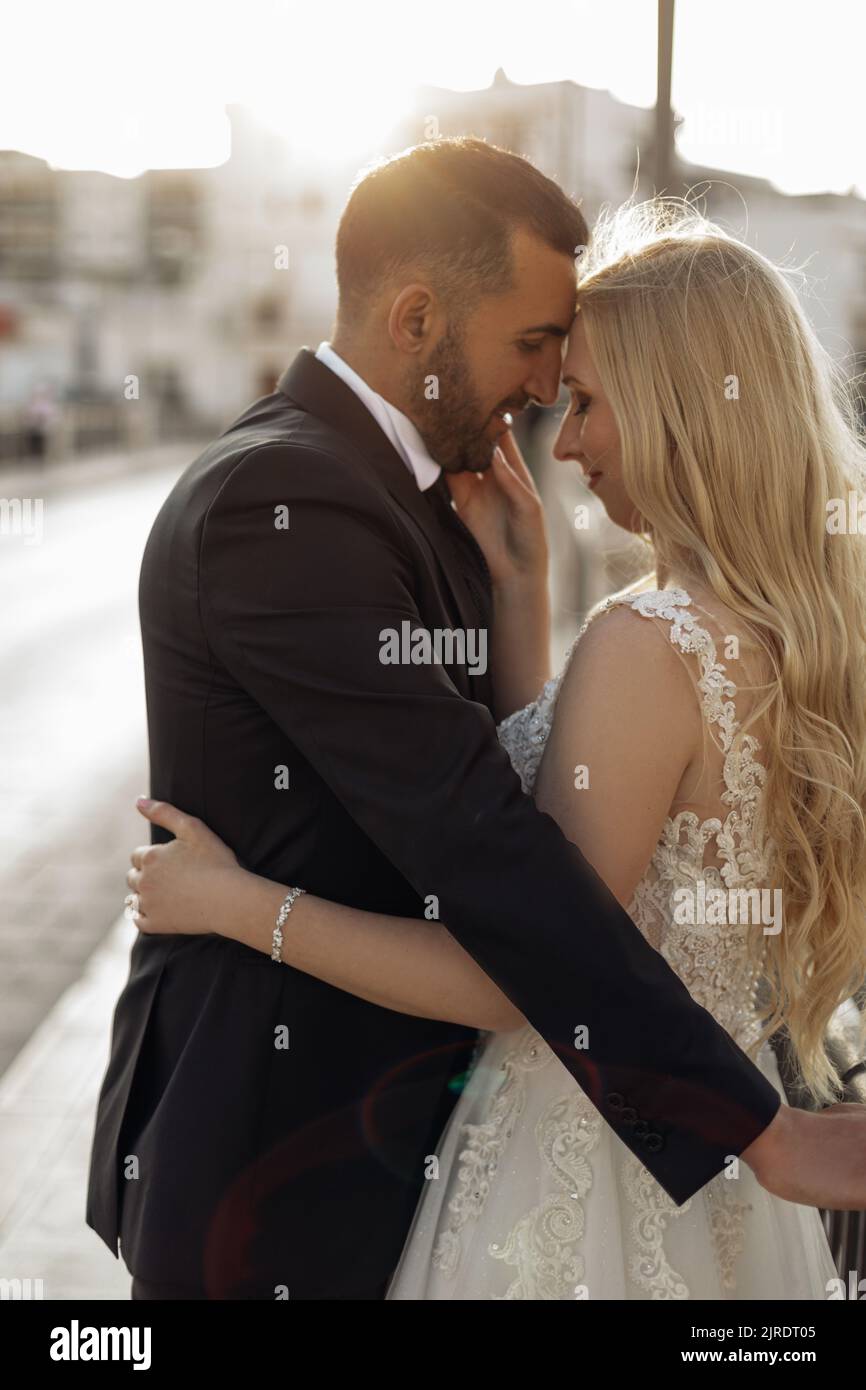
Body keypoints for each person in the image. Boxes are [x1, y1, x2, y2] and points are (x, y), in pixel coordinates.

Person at [93, 144, 866, 1300]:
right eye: (534, 348)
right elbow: (509, 865)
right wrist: (756, 1128)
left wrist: (237, 903)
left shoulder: (584, 597)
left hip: (540, 1160)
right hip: (282, 1164)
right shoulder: (288, 505)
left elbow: (517, 867)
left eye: (583, 386)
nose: (552, 407)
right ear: (415, 317)